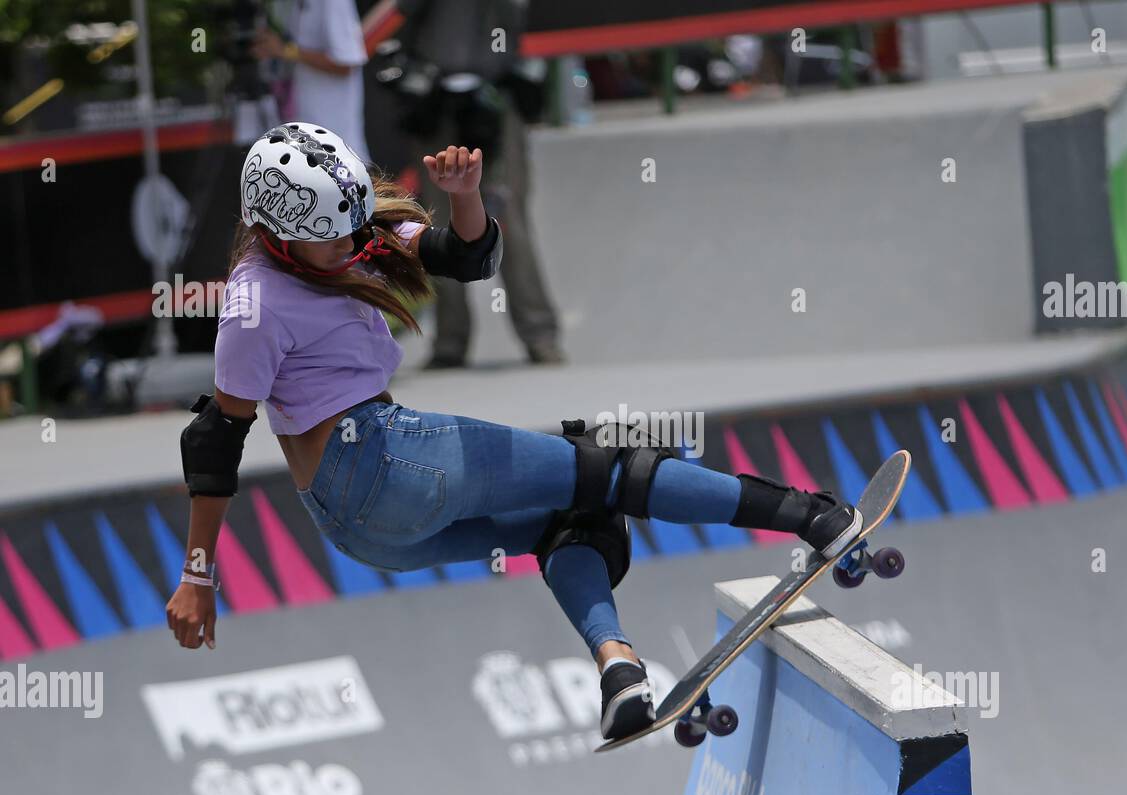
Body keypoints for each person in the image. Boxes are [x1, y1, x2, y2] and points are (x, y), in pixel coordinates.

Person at [167, 123, 863, 739]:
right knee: (607, 468)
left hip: (364, 533)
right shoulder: (253, 305)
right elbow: (216, 440)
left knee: (567, 523)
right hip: (384, 458)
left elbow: (466, 259)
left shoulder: (343, 230)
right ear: (277, 235)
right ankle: (813, 517)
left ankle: (619, 670)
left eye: (353, 227)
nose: (351, 245)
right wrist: (199, 574)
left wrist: (464, 196)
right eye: (331, 238)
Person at [390, 0, 565, 367]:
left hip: (496, 100)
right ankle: (450, 342)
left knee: (508, 218)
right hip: (438, 100)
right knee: (439, 223)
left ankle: (539, 335)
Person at [254, 0, 372, 161]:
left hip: (338, 154)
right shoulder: (293, 5)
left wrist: (285, 51)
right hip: (306, 148)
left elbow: (346, 63)